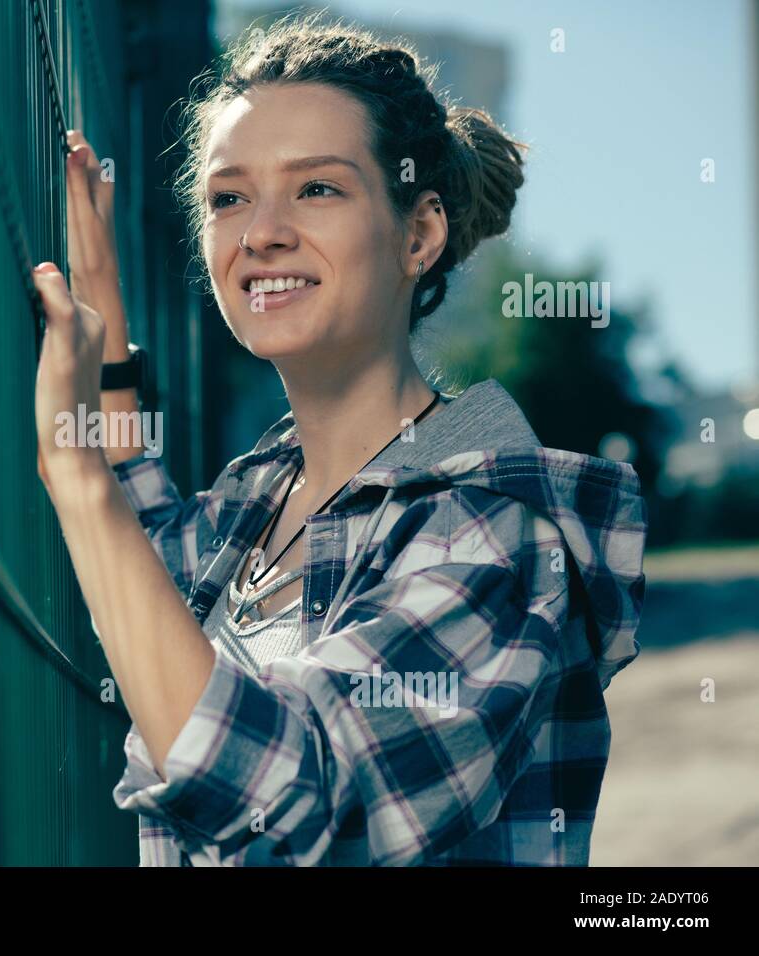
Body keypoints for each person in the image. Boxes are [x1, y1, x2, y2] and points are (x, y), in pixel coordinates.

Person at [31, 12, 646, 866]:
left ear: (420, 233)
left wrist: (77, 483)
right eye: (228, 197)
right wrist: (104, 339)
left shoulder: (494, 533)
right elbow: (152, 569)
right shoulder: (259, 501)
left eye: (317, 188)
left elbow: (292, 795)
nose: (261, 232)